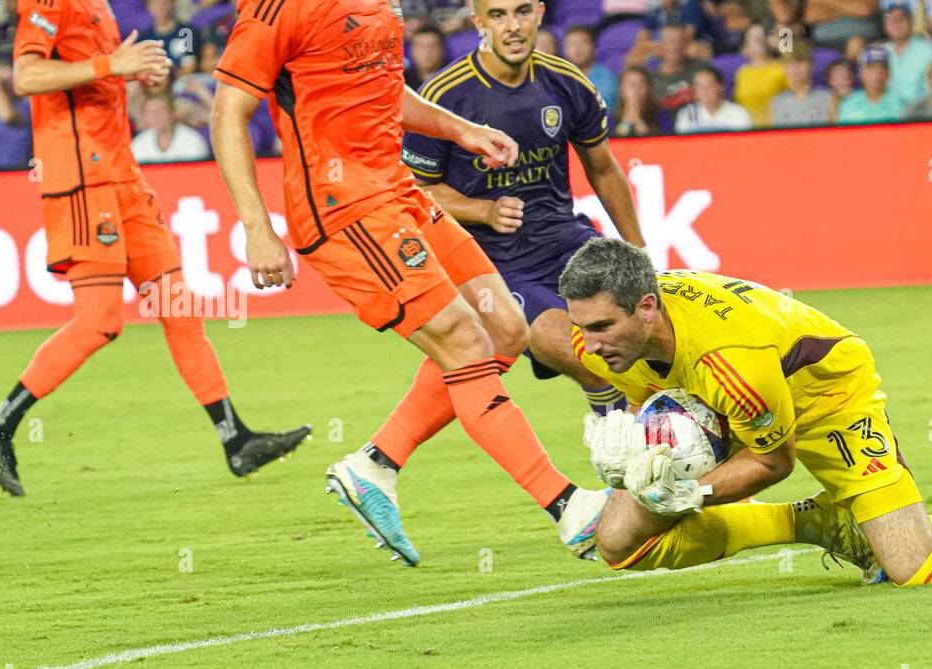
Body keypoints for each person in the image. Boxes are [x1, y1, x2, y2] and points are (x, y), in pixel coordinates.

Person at [211, 0, 609, 566]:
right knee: (465, 341)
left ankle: (374, 466)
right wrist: (257, 228)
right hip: (343, 207)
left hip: (400, 193)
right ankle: (568, 508)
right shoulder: (277, 10)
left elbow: (381, 92)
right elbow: (228, 113)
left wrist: (463, 130)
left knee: (503, 329)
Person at [0, 0, 309, 499]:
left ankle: (235, 440)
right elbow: (26, 76)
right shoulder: (49, 4)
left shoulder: (99, 8)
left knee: (181, 310)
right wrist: (111, 65)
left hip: (123, 179)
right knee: (100, 321)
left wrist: (128, 74)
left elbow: (86, 80)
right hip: (83, 180)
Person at [560, 239, 932, 585]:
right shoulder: (596, 344)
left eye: (602, 326)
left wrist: (690, 492)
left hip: (825, 395)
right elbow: (645, 395)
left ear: (646, 308)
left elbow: (773, 462)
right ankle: (817, 521)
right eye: (582, 325)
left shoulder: (731, 361)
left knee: (917, 570)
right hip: (719, 404)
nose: (591, 342)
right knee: (620, 542)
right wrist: (634, 458)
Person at [402, 0, 646, 417]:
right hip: (495, 264)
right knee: (586, 354)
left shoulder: (567, 83)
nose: (512, 26)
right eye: (498, 15)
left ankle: (648, 460)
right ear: (478, 22)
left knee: (646, 340)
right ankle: (623, 452)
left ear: (540, 14)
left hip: (569, 242)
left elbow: (603, 169)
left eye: (522, 12)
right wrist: (483, 210)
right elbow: (415, 192)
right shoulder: (444, 95)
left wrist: (639, 254)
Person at [883, 2, 932, 103]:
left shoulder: (929, 51)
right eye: (892, 19)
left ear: (911, 22)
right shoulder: (881, 51)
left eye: (902, 18)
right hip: (888, 111)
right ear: (885, 25)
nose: (897, 23)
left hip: (919, 112)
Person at [732, 23, 789, 124]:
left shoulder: (782, 67)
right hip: (747, 128)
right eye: (756, 39)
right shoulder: (742, 72)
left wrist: (782, 43)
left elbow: (795, 58)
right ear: (747, 46)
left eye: (764, 37)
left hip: (777, 126)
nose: (762, 41)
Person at [131, 91, 210, 163]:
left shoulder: (192, 140)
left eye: (160, 110)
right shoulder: (139, 143)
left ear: (172, 113)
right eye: (150, 112)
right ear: (145, 117)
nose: (156, 116)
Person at [768, 43, 834, 126]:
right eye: (790, 63)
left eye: (800, 61)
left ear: (811, 65)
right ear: (785, 68)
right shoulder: (777, 102)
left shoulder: (827, 97)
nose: (795, 67)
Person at [837, 45, 908, 122]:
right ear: (861, 73)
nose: (877, 73)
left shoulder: (900, 104)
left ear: (888, 73)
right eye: (871, 67)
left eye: (882, 67)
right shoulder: (849, 103)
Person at [675, 64, 754, 129]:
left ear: (720, 87)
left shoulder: (739, 113)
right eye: (700, 86)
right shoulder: (686, 114)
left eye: (709, 85)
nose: (705, 90)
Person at [563, 24, 619, 114]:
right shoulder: (557, 77)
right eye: (571, 44)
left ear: (594, 47)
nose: (577, 48)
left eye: (583, 43)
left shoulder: (607, 77)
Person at [613, 65, 660, 135]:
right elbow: (615, 140)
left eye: (641, 83)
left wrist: (638, 119)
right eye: (630, 84)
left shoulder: (662, 116)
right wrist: (628, 117)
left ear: (648, 88)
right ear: (621, 89)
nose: (635, 88)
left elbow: (659, 142)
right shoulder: (609, 119)